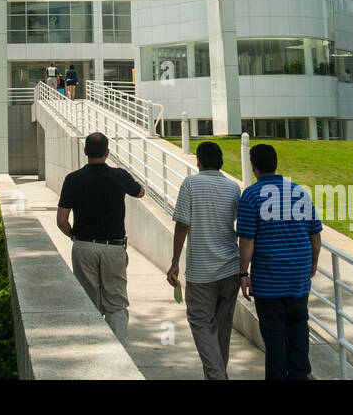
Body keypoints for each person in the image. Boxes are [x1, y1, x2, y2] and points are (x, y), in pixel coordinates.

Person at [237, 143, 321, 380]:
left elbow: (247, 240)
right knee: (298, 332)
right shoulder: (299, 192)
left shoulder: (252, 195)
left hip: (269, 282)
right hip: (298, 279)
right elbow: (315, 233)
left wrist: (243, 274)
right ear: (275, 164)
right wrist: (313, 262)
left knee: (274, 342)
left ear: (254, 167)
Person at [57, 132, 145, 346]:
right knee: (116, 303)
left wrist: (75, 237)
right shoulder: (120, 176)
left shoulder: (72, 179)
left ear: (85, 151)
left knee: (88, 302)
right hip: (114, 247)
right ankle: (120, 354)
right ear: (107, 152)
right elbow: (140, 192)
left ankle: (92, 348)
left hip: (84, 246)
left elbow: (61, 221)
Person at [166, 140, 242, 380]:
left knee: (200, 324)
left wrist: (175, 260)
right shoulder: (233, 188)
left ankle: (218, 375)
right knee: (221, 329)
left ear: (198, 160)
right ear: (220, 161)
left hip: (201, 271)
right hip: (230, 268)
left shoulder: (190, 183)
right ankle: (218, 373)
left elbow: (181, 225)